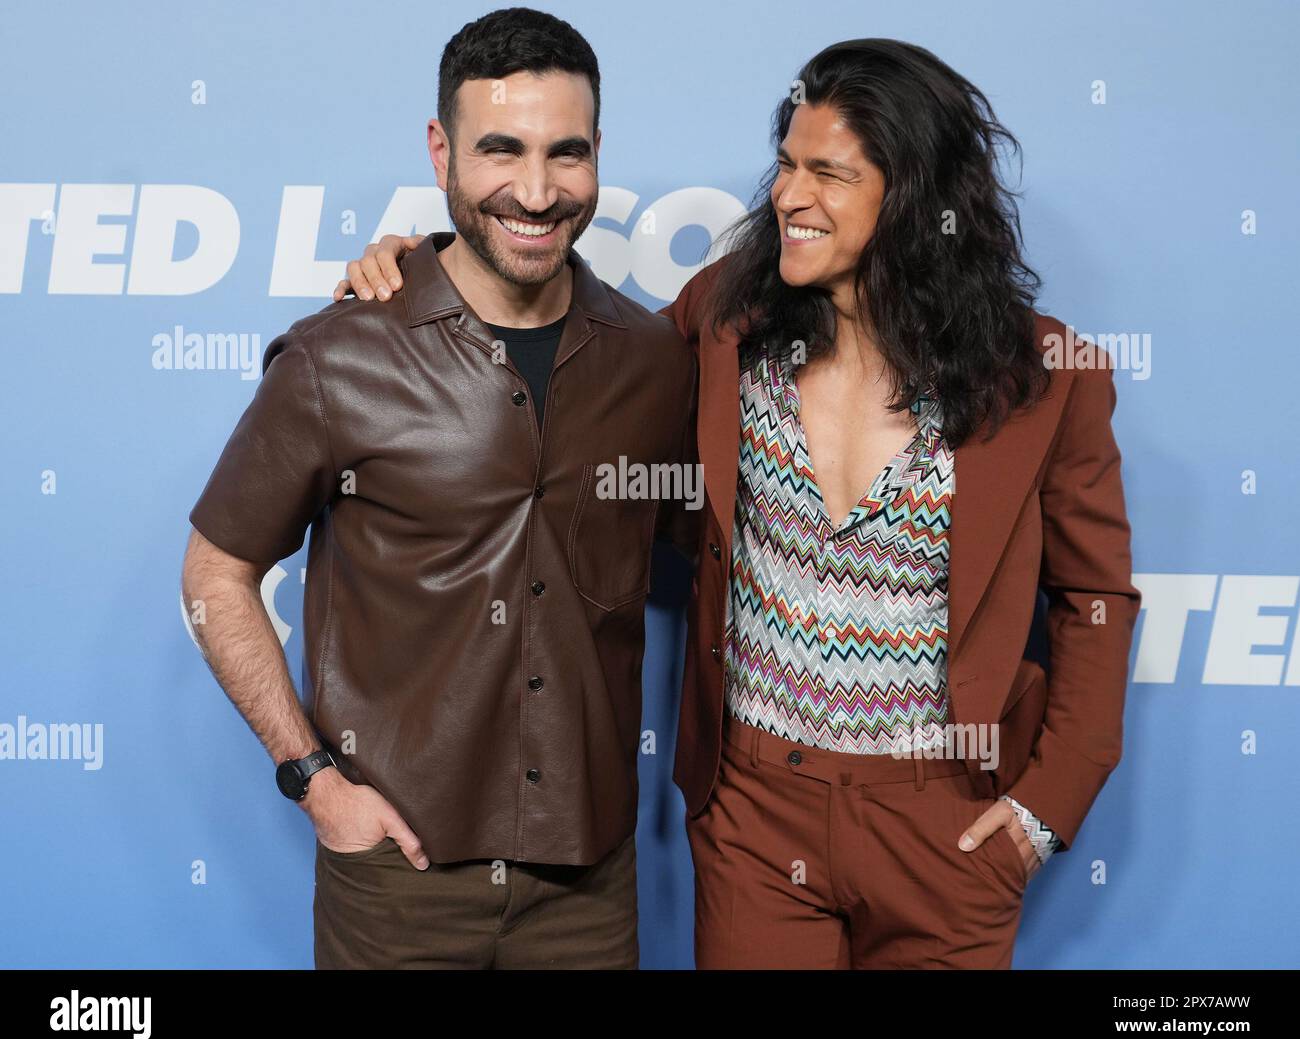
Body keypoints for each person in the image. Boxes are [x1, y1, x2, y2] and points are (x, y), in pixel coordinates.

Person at [338, 38, 1140, 969]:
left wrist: (1042, 814)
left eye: (829, 174)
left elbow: (1097, 600)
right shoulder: (726, 318)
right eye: (788, 166)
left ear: (918, 196)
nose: (790, 197)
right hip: (757, 816)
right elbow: (561, 324)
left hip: (947, 823)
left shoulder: (1041, 375)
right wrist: (422, 264)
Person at [180, 7, 696, 970]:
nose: (536, 191)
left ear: (597, 156)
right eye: (500, 149)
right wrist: (315, 782)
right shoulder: (339, 357)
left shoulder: (658, 361)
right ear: (441, 152)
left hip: (590, 886)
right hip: (395, 881)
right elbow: (216, 574)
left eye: (566, 153)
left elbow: (709, 554)